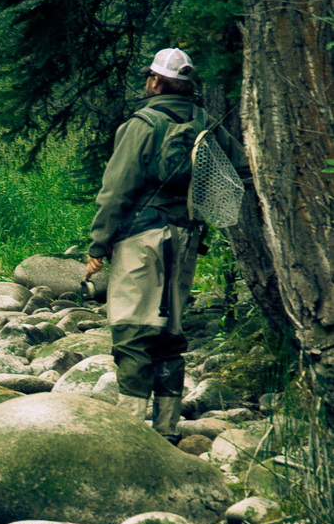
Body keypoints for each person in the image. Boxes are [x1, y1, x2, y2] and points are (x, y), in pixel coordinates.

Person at [85, 47, 246, 442]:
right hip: (187, 237)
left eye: (148, 77)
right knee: (169, 336)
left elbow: (115, 192)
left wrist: (97, 246)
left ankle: (128, 435)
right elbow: (242, 168)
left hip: (142, 241)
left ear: (156, 82)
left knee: (133, 333)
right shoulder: (205, 121)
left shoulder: (142, 124)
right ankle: (166, 430)